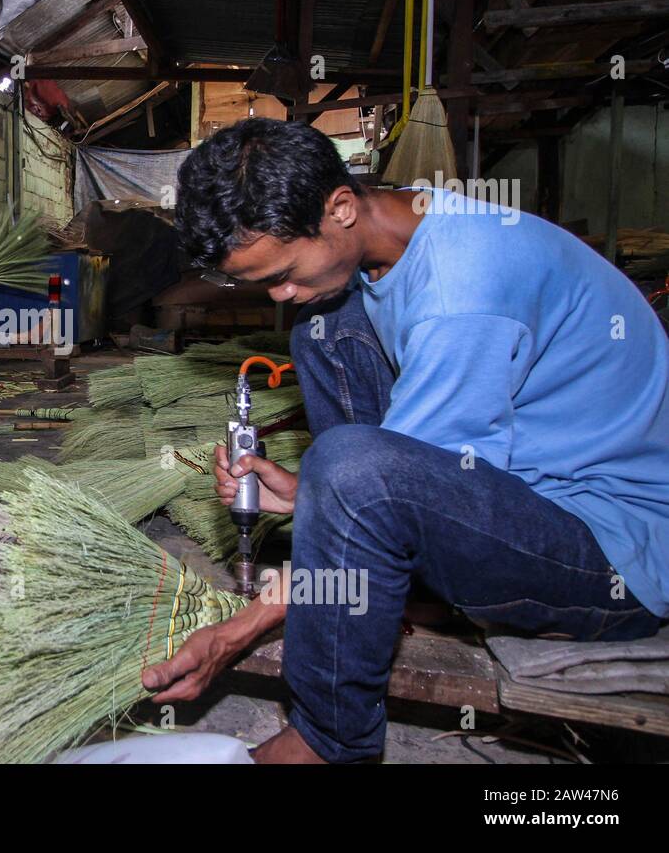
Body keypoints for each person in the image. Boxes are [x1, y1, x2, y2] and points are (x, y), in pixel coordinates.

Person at [145, 117, 669, 763]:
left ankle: (329, 739)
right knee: (322, 332)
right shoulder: (399, 229)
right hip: (537, 481)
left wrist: (236, 633)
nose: (280, 294)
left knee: (351, 472)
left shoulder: (461, 292)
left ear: (340, 207)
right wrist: (312, 497)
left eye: (280, 273)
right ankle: (374, 579)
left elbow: (373, 476)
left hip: (619, 548)